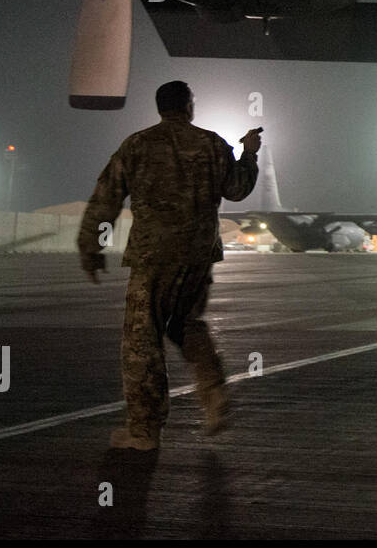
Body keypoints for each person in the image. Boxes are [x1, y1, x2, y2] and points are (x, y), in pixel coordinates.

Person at [78, 80, 261, 451]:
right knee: (188, 325)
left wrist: (91, 247)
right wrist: (249, 153)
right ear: (189, 106)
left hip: (153, 258)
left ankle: (144, 431)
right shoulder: (211, 144)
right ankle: (213, 394)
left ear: (160, 107)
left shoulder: (137, 145)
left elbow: (106, 196)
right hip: (197, 256)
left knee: (142, 342)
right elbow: (238, 189)